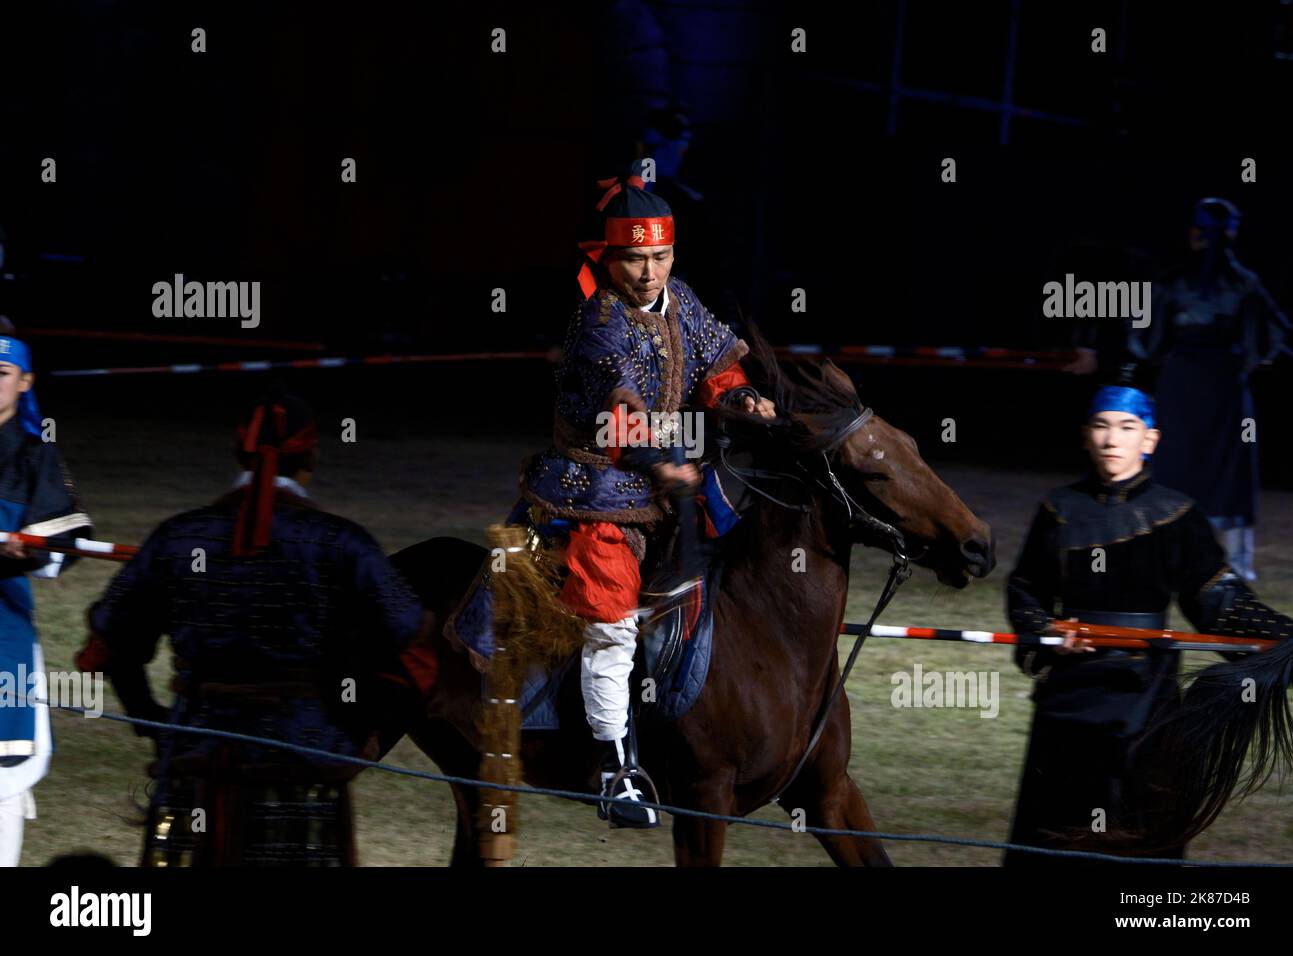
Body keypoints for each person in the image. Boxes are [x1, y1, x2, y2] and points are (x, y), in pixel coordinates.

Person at [76, 388, 435, 866]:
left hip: (196, 745)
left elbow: (109, 643)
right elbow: (414, 647)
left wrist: (154, 722)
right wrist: (364, 733)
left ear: (237, 449)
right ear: (310, 455)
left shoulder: (178, 536)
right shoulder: (344, 543)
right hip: (306, 752)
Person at [520, 168, 775, 827]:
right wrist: (664, 464)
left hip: (674, 485)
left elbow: (718, 365)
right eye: (633, 258)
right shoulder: (598, 320)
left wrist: (743, 398)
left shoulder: (682, 300)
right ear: (607, 257)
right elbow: (622, 405)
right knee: (611, 625)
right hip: (595, 490)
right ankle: (616, 770)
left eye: (659, 256)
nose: (647, 272)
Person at [1004, 384, 1293, 864]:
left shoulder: (1176, 514)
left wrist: (1285, 637)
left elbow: (1216, 599)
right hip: (1068, 699)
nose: (1111, 440)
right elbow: (1025, 588)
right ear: (1085, 436)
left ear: (1150, 440)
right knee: (1053, 830)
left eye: (1126, 428)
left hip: (1145, 699)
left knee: (1139, 828)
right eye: (1101, 426)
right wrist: (1045, 629)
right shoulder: (1058, 509)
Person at [1128, 197, 1292, 581]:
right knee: (1230, 469)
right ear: (1231, 234)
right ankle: (1238, 565)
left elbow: (1145, 341)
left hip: (1181, 384)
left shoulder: (1170, 281)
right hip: (1225, 386)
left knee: (1172, 464)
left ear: (1193, 234)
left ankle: (1161, 555)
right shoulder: (1244, 283)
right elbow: (1265, 342)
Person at [0, 318, 93, 866]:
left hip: (3, 638)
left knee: (2, 788)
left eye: (2, 372)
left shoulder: (37, 458)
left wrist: (33, 551)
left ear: (26, 382)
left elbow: (65, 552)